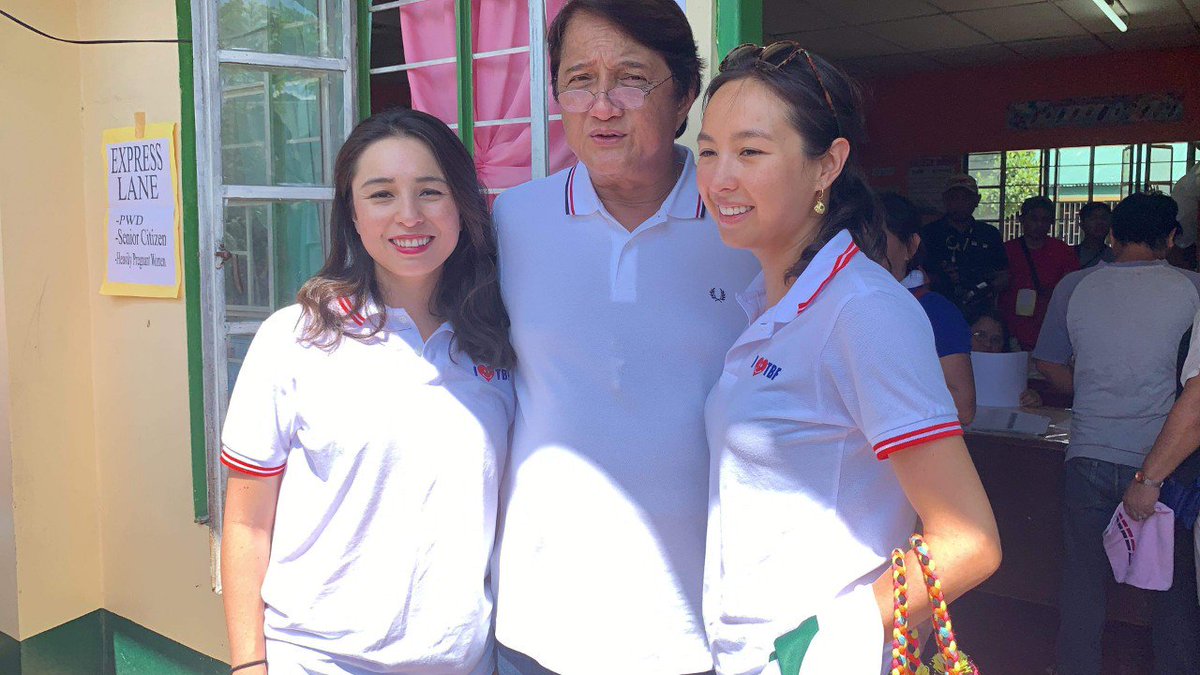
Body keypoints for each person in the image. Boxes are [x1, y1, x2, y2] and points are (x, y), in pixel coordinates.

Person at [696, 42, 1000, 674]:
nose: (720, 177)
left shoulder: (863, 311)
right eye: (707, 150)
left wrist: (812, 643)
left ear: (827, 164)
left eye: (750, 151)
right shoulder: (767, 300)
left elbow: (969, 542)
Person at [490, 1, 760, 673]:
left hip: (697, 633)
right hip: (536, 627)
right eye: (580, 80)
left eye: (632, 79)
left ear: (685, 97)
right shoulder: (513, 221)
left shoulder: (746, 232)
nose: (602, 106)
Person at [220, 108, 515, 675]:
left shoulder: (498, 342)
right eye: (381, 194)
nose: (409, 216)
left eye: (430, 191)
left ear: (462, 205)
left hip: (464, 662)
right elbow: (246, 524)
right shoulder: (296, 338)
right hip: (316, 662)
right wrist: (248, 665)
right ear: (352, 214)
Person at [1033, 191, 1200, 675]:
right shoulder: (1192, 290)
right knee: (1173, 592)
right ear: (1171, 238)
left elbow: (1047, 362)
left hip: (1085, 458)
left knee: (1082, 585)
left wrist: (1088, 389)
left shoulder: (1074, 286)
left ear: (1110, 235)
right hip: (1162, 468)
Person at [879, 192, 975, 425]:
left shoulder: (935, 312)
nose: (863, 249)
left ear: (911, 246)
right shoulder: (834, 305)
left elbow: (963, 408)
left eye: (878, 238)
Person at [921, 173, 1009, 315]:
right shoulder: (929, 233)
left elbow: (1004, 276)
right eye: (954, 197)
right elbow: (917, 274)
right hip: (938, 310)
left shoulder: (989, 234)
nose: (959, 203)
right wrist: (944, 279)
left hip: (980, 312)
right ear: (944, 199)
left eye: (966, 198)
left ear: (976, 200)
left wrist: (981, 286)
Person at [967, 308, 1042, 408]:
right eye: (980, 335)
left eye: (996, 340)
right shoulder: (947, 368)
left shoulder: (1012, 379)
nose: (988, 344)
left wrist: (1031, 399)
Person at [1074, 201, 1114, 269]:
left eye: (1104, 218)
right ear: (1082, 225)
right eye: (1093, 218)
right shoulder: (1069, 254)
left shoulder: (1117, 256)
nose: (1099, 222)